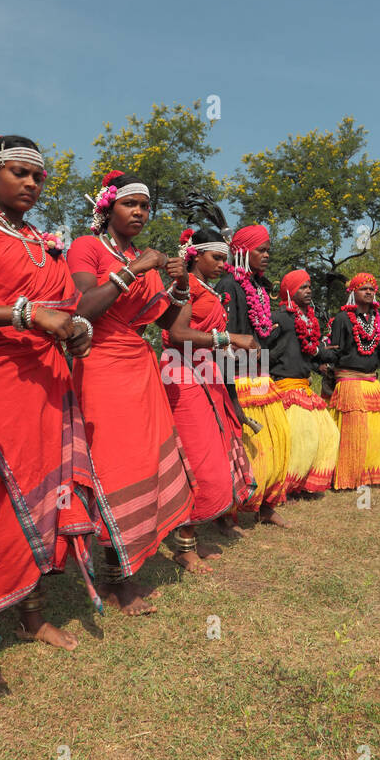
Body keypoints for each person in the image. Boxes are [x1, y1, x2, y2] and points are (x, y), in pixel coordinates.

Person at [0, 135, 98, 687]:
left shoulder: (42, 240)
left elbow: (68, 308)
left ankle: (31, 615)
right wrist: (30, 317)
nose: (31, 184)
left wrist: (75, 330)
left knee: (41, 498)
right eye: (20, 173)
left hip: (47, 384)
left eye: (39, 177)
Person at [67, 171, 197, 612]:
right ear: (108, 208)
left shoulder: (145, 256)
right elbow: (83, 307)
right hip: (99, 364)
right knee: (114, 467)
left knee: (143, 464)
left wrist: (180, 285)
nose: (139, 212)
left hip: (139, 368)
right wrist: (132, 270)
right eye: (130, 204)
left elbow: (165, 324)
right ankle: (117, 579)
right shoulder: (88, 247)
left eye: (144, 206)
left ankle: (125, 572)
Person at [160, 228, 257, 558]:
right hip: (182, 374)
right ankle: (184, 546)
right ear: (195, 255)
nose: (222, 265)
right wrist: (229, 339)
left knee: (211, 456)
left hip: (204, 373)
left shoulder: (207, 289)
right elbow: (176, 334)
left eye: (225, 259)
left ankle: (192, 536)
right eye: (216, 257)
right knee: (195, 458)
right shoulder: (186, 286)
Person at [215, 224, 291, 525]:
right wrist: (229, 388)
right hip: (238, 376)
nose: (267, 255)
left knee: (275, 440)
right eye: (261, 249)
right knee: (243, 446)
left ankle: (265, 506)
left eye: (268, 249)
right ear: (244, 252)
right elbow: (224, 338)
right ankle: (227, 513)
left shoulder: (261, 287)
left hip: (260, 373)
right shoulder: (228, 286)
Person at [325, 272, 380, 489]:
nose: (368, 292)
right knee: (354, 433)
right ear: (353, 292)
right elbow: (335, 352)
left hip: (372, 383)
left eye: (371, 288)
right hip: (349, 383)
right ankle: (349, 477)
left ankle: (371, 473)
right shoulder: (342, 319)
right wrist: (319, 358)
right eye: (363, 288)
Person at [269, 269, 339, 493]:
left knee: (329, 434)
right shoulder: (278, 317)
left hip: (304, 385)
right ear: (290, 291)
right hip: (285, 385)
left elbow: (310, 351)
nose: (308, 290)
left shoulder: (310, 318)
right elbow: (265, 349)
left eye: (309, 286)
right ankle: (286, 486)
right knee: (302, 439)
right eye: (302, 287)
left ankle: (306, 484)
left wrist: (330, 354)